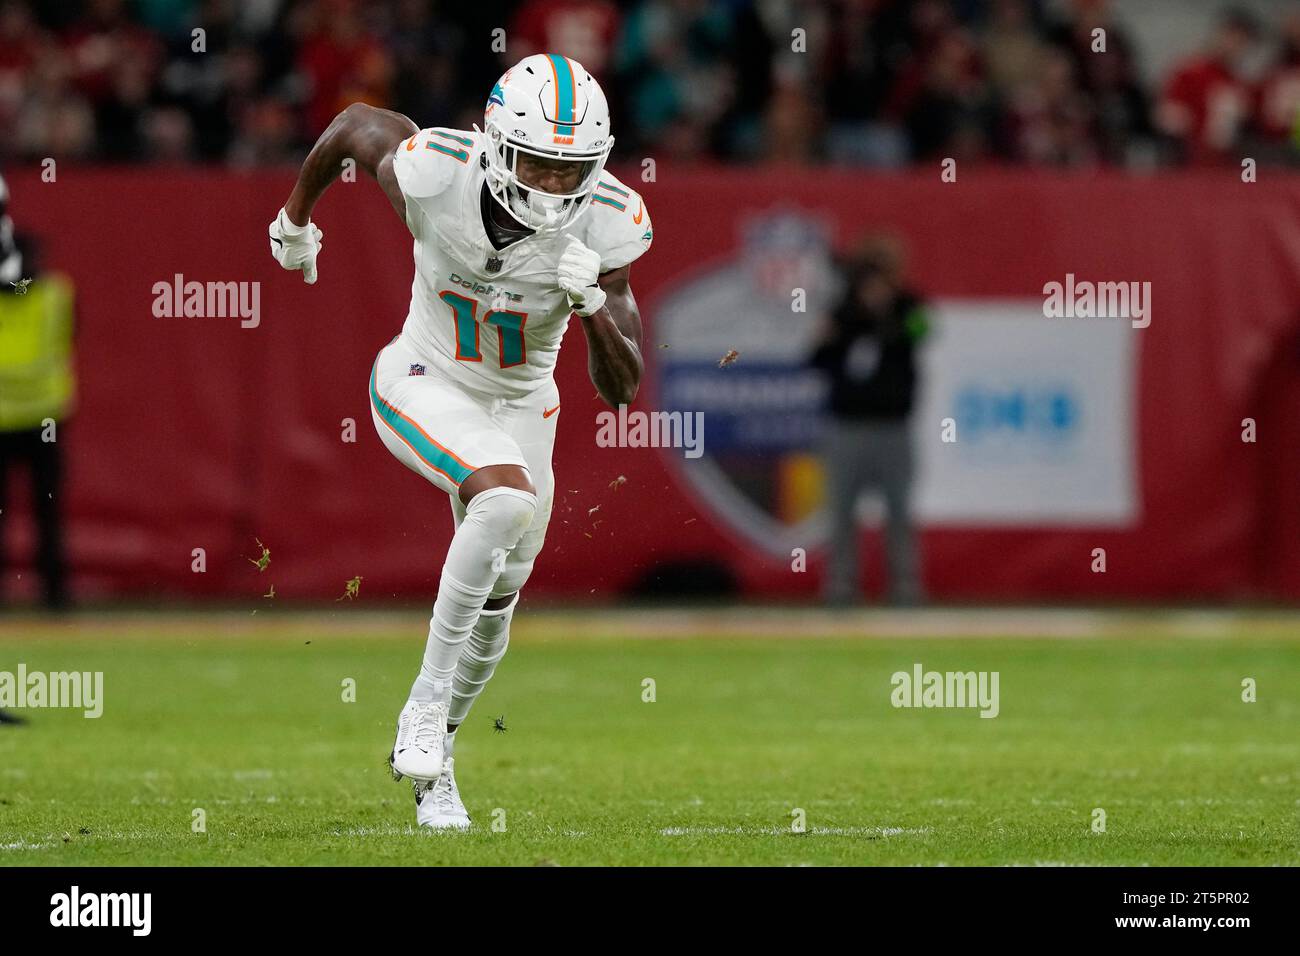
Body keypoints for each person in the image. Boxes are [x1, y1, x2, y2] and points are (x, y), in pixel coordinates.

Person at [268, 55, 651, 830]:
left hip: (522, 406)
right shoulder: (435, 172)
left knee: (501, 598)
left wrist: (593, 310)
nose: (550, 185)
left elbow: (622, 388)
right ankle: (422, 702)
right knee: (505, 498)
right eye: (538, 162)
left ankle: (435, 763)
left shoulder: (609, 222)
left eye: (567, 169)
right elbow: (351, 126)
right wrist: (293, 221)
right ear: (497, 143)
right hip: (422, 375)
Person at [811, 235, 927, 607]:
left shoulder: (910, 306)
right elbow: (816, 359)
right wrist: (847, 321)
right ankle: (840, 587)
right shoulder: (842, 312)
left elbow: (924, 332)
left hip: (893, 427)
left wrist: (886, 310)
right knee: (841, 512)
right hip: (848, 426)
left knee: (899, 512)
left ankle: (905, 587)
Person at [0, 171, 75, 614]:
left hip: (26, 415)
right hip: (42, 413)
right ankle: (56, 599)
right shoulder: (54, 292)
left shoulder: (49, 293)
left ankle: (54, 597)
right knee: (43, 511)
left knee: (38, 513)